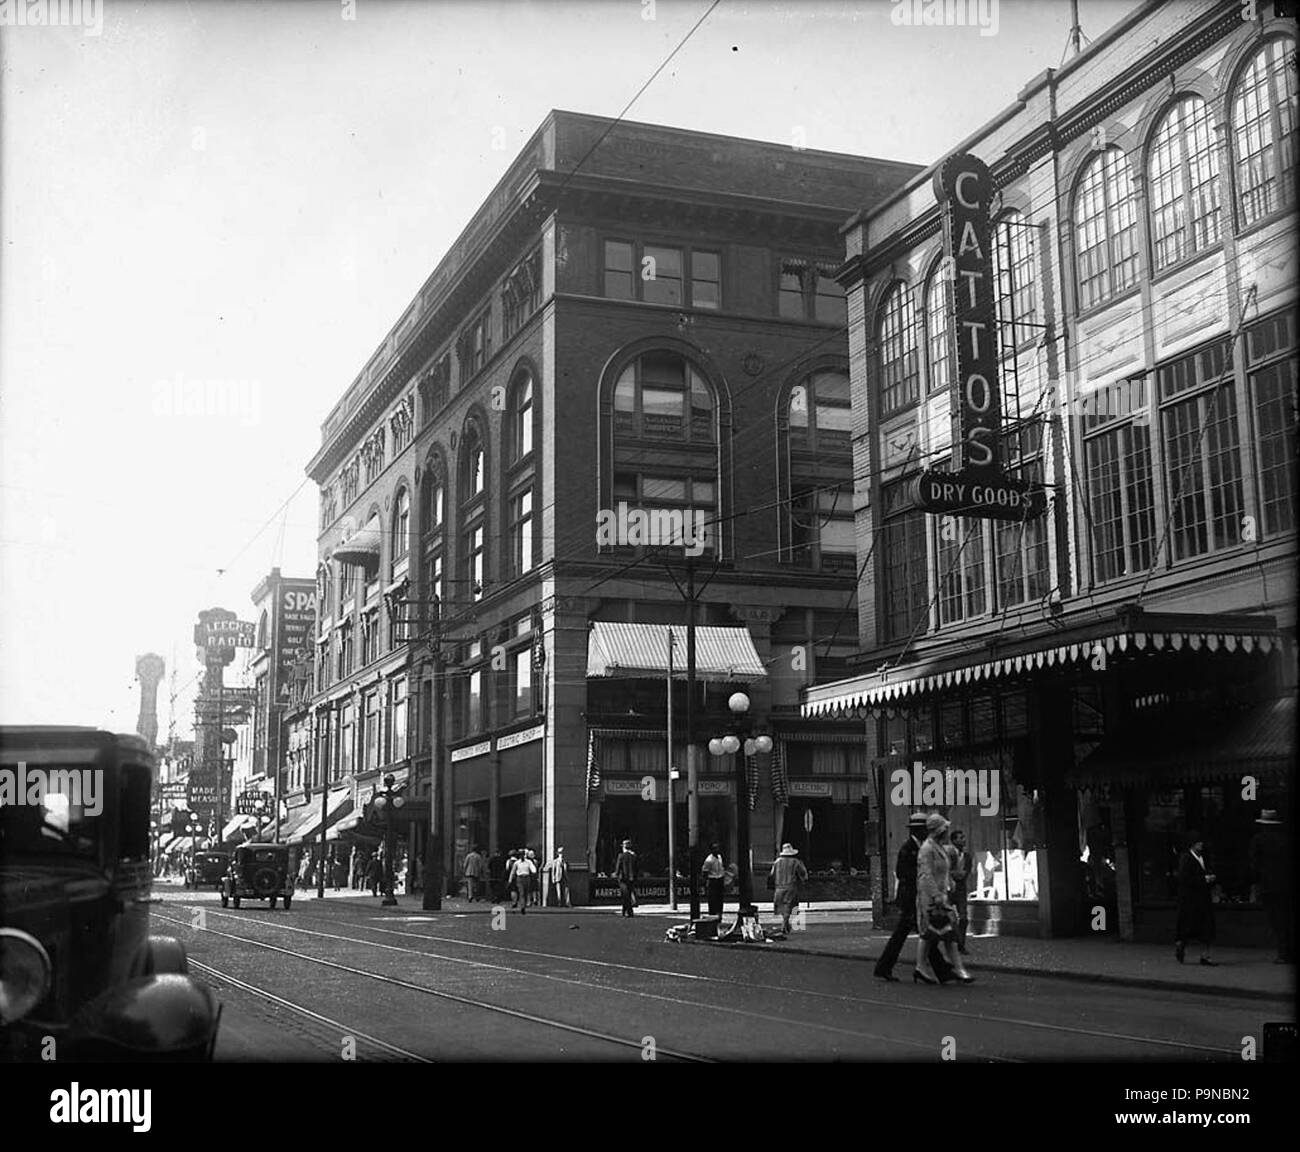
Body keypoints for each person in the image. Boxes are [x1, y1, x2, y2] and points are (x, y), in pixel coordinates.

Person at [916, 813, 971, 984]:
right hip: (932, 900)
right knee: (930, 934)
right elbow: (926, 875)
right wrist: (936, 895)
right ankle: (922, 966)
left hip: (942, 898)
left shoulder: (939, 847)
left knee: (947, 934)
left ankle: (957, 968)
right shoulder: (927, 849)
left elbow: (943, 871)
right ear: (939, 830)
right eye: (945, 829)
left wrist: (950, 883)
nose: (947, 832)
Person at [874, 812, 928, 982]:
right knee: (917, 933)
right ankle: (884, 967)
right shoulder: (908, 848)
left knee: (925, 933)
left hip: (917, 896)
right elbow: (902, 872)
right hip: (909, 897)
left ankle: (940, 969)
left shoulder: (920, 847)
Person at [1249, 810, 1292, 964]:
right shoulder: (1285, 839)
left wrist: (1255, 884)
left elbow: (1254, 865)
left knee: (1276, 920)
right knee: (1286, 918)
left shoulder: (1258, 840)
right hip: (1286, 884)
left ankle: (1283, 953)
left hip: (1269, 885)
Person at [1174, 831, 1217, 965]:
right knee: (1189, 926)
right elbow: (1184, 879)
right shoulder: (1186, 858)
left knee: (1207, 927)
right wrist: (1204, 879)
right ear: (1192, 844)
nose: (1201, 844)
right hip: (1190, 900)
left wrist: (1210, 878)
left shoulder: (1203, 857)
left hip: (1203, 899)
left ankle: (1205, 956)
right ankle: (1181, 945)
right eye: (1198, 842)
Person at [768, 843, 809, 937]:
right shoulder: (796, 862)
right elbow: (803, 874)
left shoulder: (777, 862)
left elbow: (771, 875)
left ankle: (785, 922)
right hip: (791, 886)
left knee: (781, 905)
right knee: (788, 905)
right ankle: (785, 923)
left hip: (779, 887)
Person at [948, 829, 973, 954]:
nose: (963, 840)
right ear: (953, 841)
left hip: (961, 889)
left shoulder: (967, 856)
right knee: (948, 919)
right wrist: (954, 875)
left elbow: (967, 870)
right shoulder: (948, 854)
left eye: (963, 837)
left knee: (963, 917)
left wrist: (962, 875)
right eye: (960, 838)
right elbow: (946, 870)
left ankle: (960, 944)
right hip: (949, 888)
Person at [702, 843, 726, 918]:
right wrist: (707, 881)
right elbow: (704, 871)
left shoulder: (719, 857)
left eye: (717, 848)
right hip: (713, 880)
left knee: (720, 899)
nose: (717, 850)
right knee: (713, 900)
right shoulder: (709, 860)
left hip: (720, 879)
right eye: (714, 848)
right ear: (711, 850)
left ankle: (719, 914)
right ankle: (712, 915)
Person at [615, 839, 638, 917]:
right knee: (627, 894)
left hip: (623, 879)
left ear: (624, 847)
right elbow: (637, 868)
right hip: (632, 878)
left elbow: (618, 868)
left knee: (626, 895)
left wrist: (616, 875)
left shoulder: (621, 856)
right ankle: (624, 911)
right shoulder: (634, 856)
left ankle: (629, 912)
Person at [512, 849, 537, 914]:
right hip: (520, 878)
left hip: (527, 878)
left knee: (526, 892)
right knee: (521, 892)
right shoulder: (517, 863)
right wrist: (510, 879)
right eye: (520, 855)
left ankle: (524, 905)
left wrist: (534, 871)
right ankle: (522, 907)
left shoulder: (528, 862)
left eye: (522, 855)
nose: (521, 856)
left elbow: (533, 868)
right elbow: (513, 871)